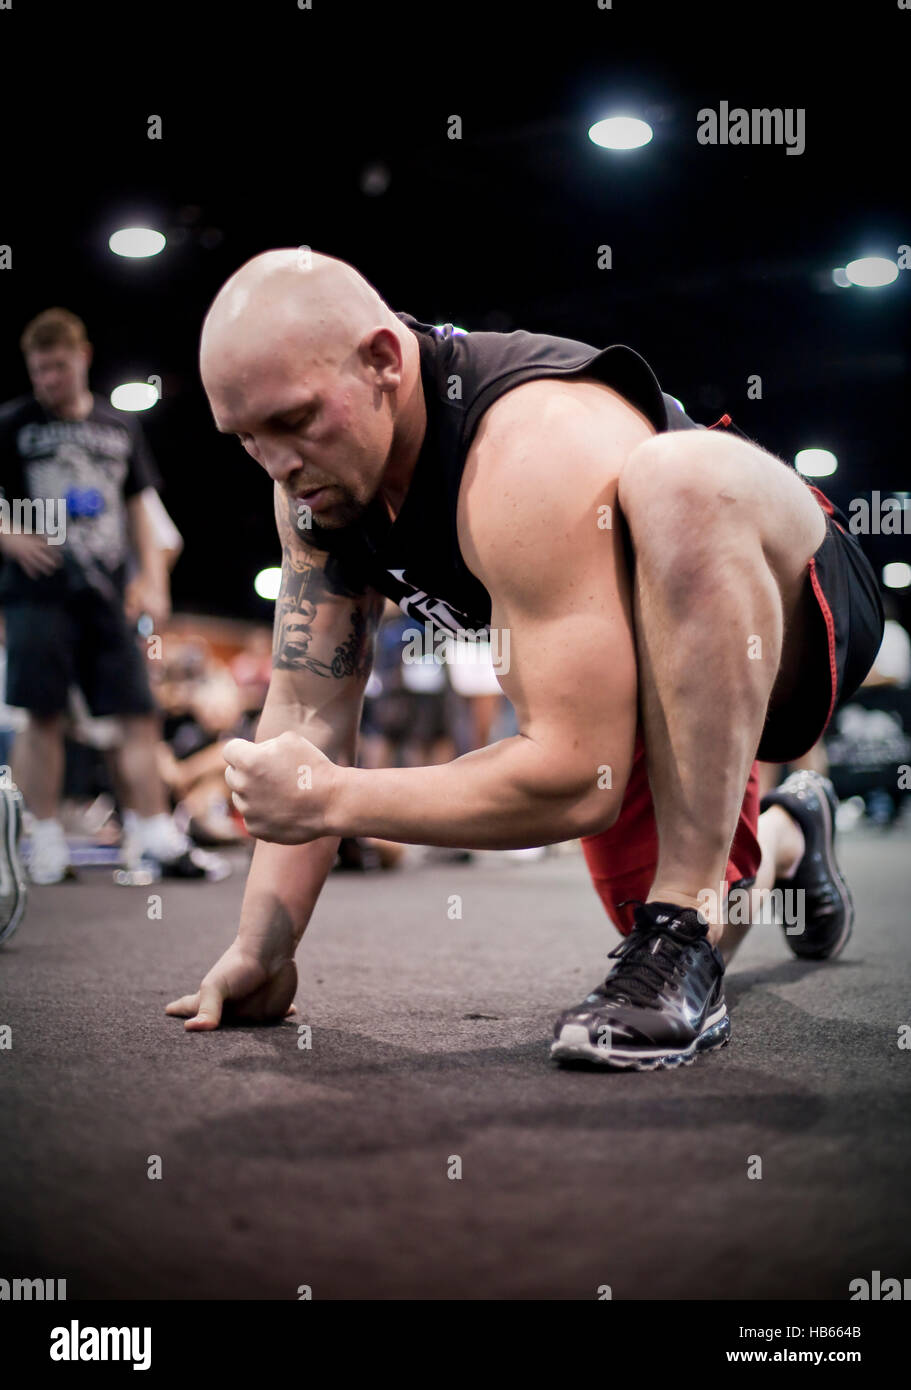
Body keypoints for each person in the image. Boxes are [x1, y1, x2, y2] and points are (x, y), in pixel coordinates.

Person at [167, 250, 884, 1070]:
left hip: (792, 590)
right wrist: (264, 946)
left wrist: (336, 799)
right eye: (247, 438)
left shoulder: (525, 445)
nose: (277, 463)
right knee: (664, 918)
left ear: (382, 361)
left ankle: (682, 920)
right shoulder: (315, 487)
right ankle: (793, 830)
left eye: (293, 421)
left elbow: (578, 777)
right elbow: (306, 714)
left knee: (679, 478)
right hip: (640, 657)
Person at [0, 307, 207, 882]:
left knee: (138, 714)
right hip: (37, 594)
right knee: (41, 715)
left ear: (83, 358)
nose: (47, 381)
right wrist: (7, 531)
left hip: (108, 593)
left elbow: (141, 504)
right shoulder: (13, 423)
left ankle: (154, 834)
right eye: (38, 370)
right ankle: (41, 841)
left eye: (57, 368)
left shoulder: (120, 428)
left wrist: (154, 578)